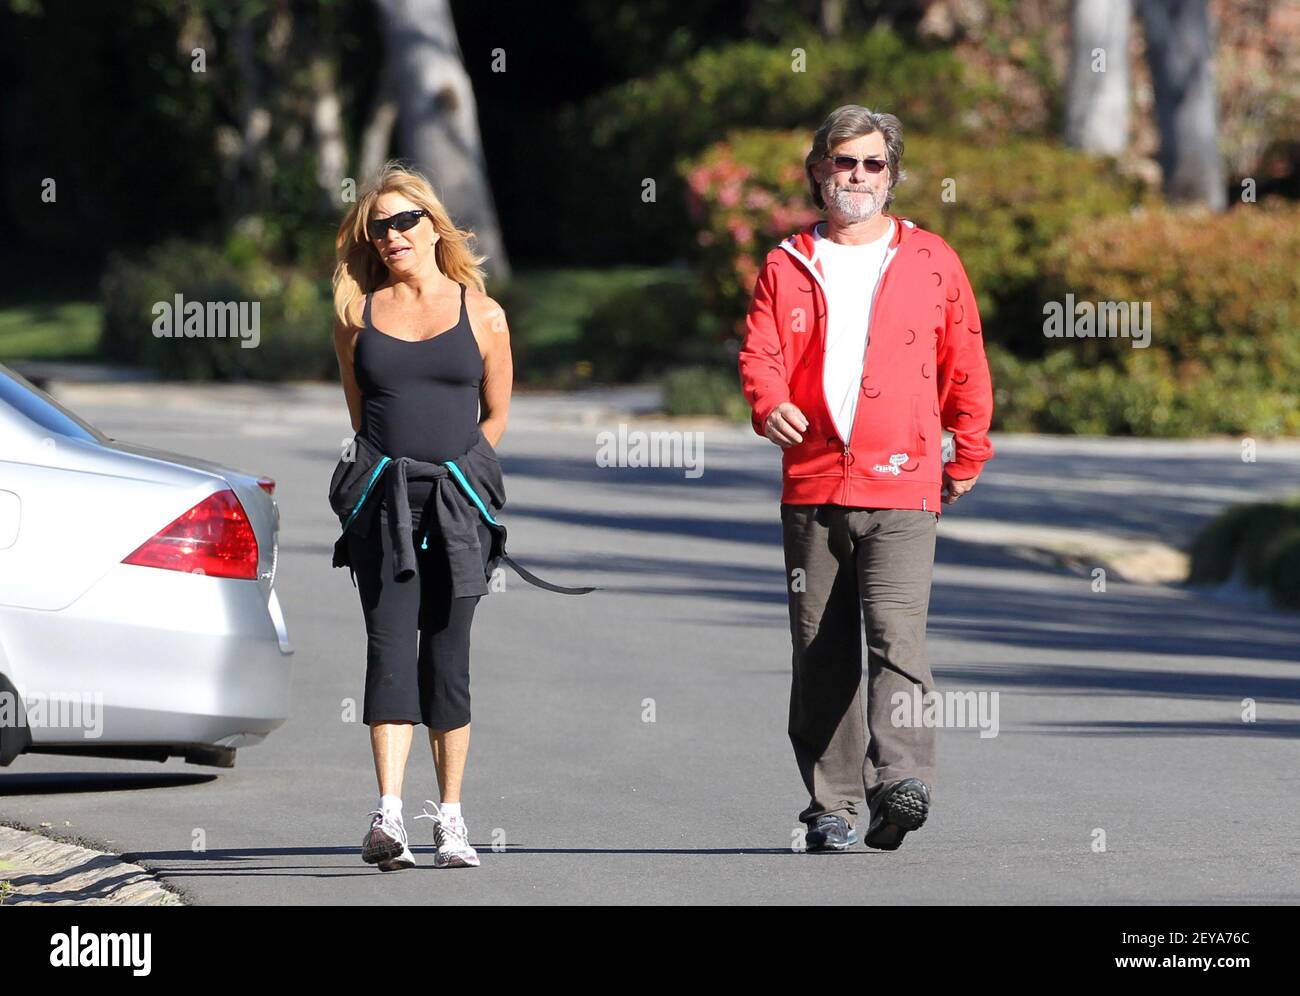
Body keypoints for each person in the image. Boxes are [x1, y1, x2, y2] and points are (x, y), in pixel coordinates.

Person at [738, 105, 994, 852]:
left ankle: (901, 783)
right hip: (814, 484)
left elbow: (964, 361)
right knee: (820, 648)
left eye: (872, 164)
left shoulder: (931, 260)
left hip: (903, 484)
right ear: (819, 171)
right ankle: (833, 804)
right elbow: (759, 356)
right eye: (843, 162)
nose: (857, 176)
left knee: (896, 637)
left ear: (892, 175)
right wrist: (769, 402)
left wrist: (968, 452)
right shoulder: (787, 263)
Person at [331, 161, 513, 870]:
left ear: (436, 225)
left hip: (458, 504)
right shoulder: (357, 316)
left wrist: (466, 474)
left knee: (447, 657)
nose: (392, 234)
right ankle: (389, 815)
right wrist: (384, 474)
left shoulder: (482, 313)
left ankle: (453, 820)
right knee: (387, 650)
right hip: (384, 506)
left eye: (405, 220)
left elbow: (495, 412)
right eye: (379, 226)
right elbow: (361, 413)